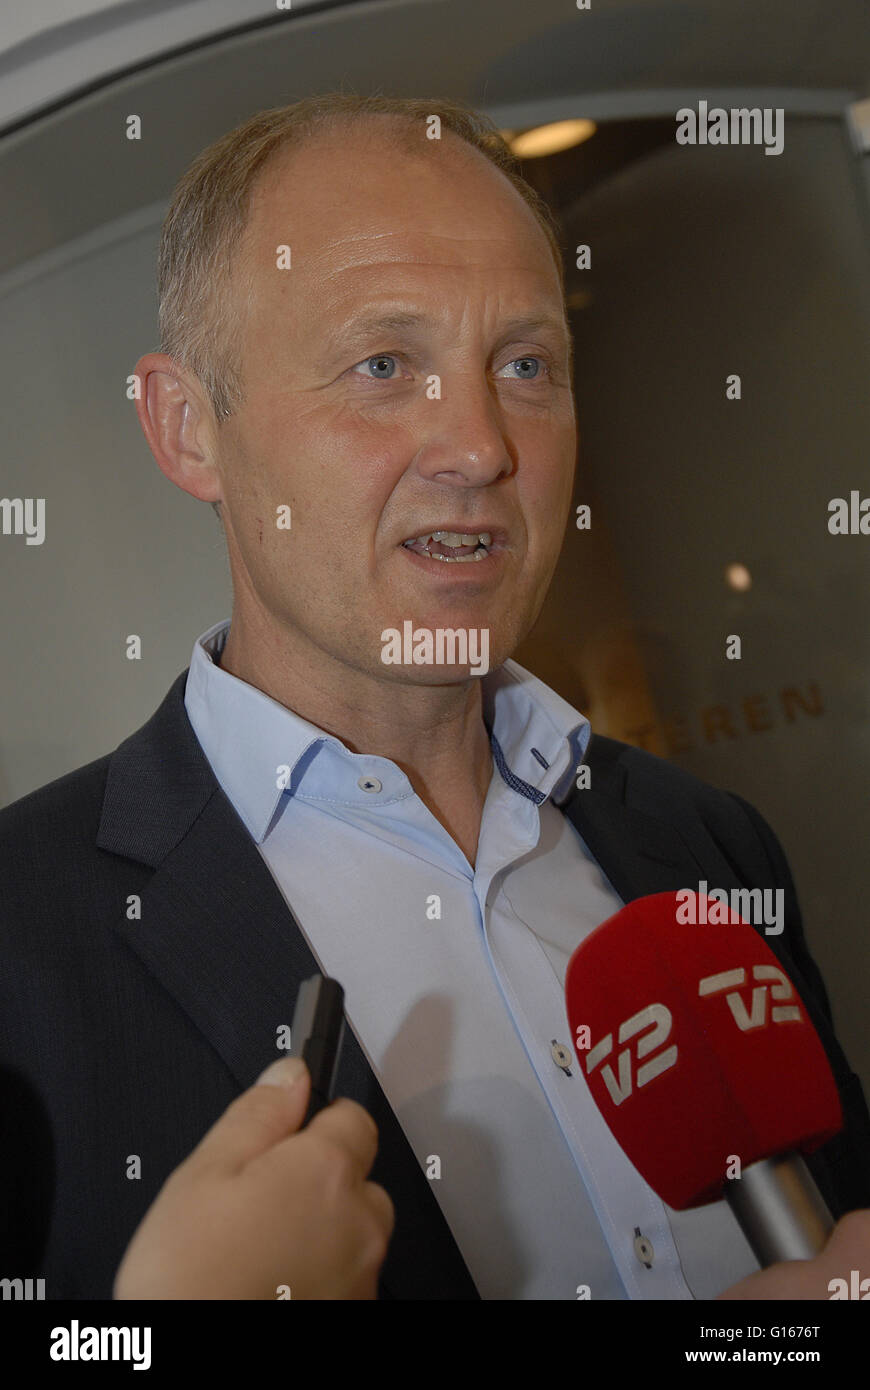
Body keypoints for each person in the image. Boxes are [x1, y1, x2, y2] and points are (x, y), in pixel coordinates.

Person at [1, 93, 868, 1301]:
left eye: (525, 363)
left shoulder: (707, 840)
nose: (479, 446)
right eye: (383, 363)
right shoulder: (20, 942)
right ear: (189, 428)